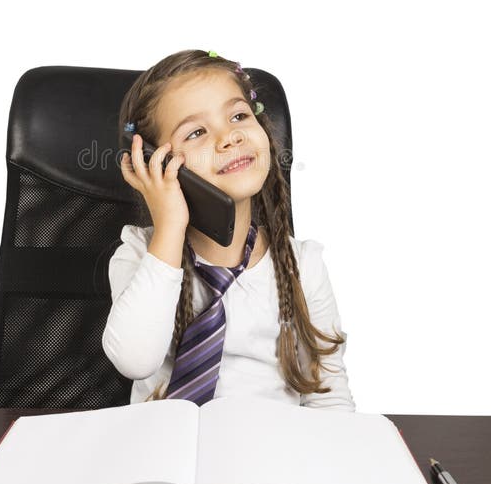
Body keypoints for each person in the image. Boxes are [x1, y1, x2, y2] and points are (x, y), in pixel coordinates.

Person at [102, 48, 356, 411]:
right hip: (163, 454)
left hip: (273, 454)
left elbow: (330, 400)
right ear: (153, 160)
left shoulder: (302, 266)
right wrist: (170, 226)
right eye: (197, 132)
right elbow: (135, 359)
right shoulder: (141, 254)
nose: (229, 137)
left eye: (238, 115)